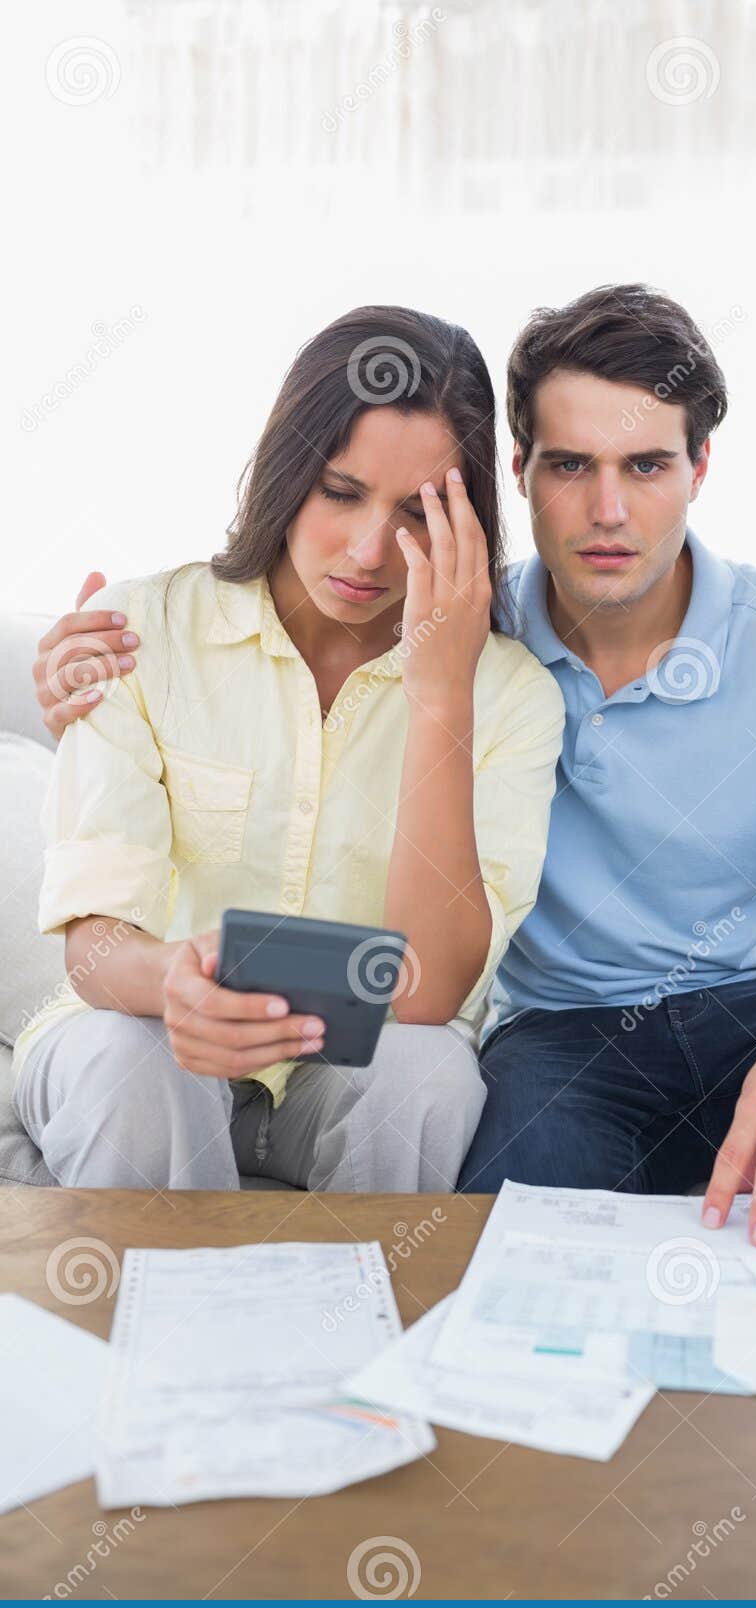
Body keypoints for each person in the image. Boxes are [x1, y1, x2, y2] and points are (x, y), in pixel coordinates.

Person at [37, 286, 756, 1245]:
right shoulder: (465, 630)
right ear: (519, 472)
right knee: (514, 1199)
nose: (606, 511)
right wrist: (69, 677)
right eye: (570, 466)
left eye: (646, 466)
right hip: (569, 1038)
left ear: (698, 469)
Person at [15, 305, 564, 1193]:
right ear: (286, 473)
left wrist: (438, 693)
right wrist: (177, 981)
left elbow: (428, 994)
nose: (367, 551)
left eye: (418, 514)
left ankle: (370, 1329)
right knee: (130, 1062)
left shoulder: (508, 697)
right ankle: (152, 1325)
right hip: (145, 1037)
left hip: (339, 1076)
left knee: (427, 1075)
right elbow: (90, 947)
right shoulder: (140, 631)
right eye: (341, 493)